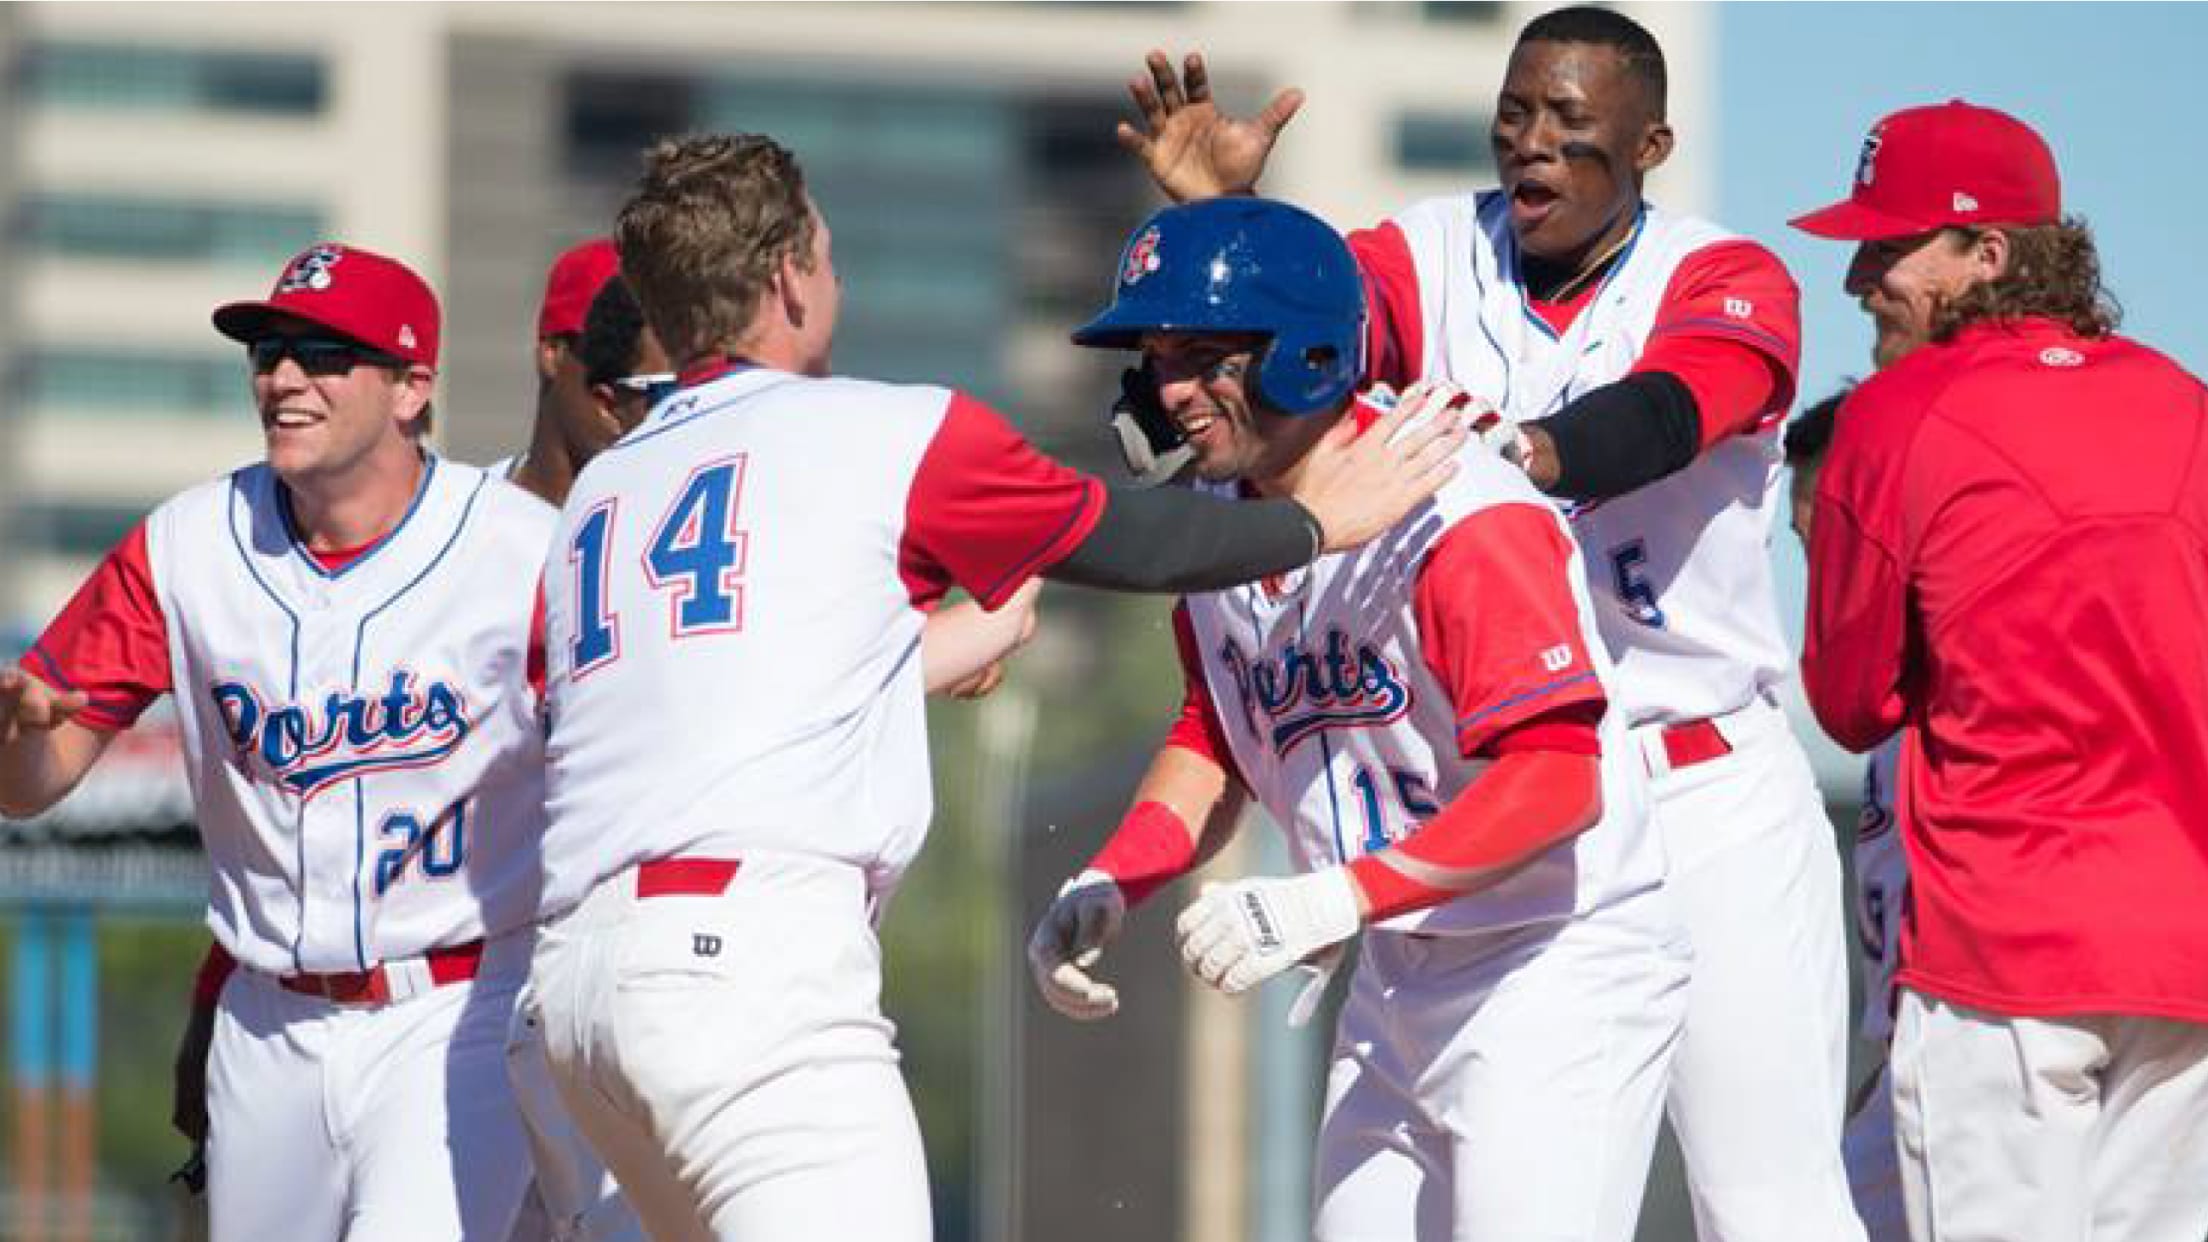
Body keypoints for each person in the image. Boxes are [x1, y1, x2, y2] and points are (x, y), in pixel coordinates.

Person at [521, 132, 1466, 1241]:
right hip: (743, 972)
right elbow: (1132, 542)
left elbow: (665, 695)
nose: (835, 277)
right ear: (787, 280)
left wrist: (903, 660)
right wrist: (1315, 524)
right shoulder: (883, 428)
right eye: (827, 254)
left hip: (576, 992)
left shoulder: (607, 488)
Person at [1114, 9, 1862, 1240]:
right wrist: (1227, 221)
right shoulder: (1426, 252)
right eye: (1515, 114)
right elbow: (1286, 340)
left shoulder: (1720, 272)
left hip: (1697, 775)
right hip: (1503, 796)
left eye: (1571, 121)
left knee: (1762, 1196)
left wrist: (1517, 454)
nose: (1532, 143)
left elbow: (1669, 413)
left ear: (1652, 144)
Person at [1029, 196, 1690, 1241]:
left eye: (1201, 356)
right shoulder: (1225, 527)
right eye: (1156, 361)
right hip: (1397, 965)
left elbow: (1560, 778)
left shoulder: (1459, 510)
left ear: (1305, 353)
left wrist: (1334, 897)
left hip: (1555, 961)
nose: (1172, 391)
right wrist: (1115, 878)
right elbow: (1217, 732)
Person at [0, 243, 549, 1241]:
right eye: (268, 352)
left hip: (458, 1009)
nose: (284, 377)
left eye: (324, 354)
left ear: (411, 387)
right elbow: (30, 785)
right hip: (266, 1026)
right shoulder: (186, 545)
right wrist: (13, 738)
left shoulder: (523, 549)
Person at [1793, 99, 2208, 1242]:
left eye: (1888, 247)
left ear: (1990, 253)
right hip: (2185, 951)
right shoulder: (2186, 403)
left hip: (2002, 944)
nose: (1858, 280)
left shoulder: (1893, 412)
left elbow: (1850, 701)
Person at [1785, 391, 1907, 1242]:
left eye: (1835, 543)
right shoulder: (1882, 707)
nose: (1822, 577)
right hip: (1917, 1070)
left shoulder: (1994, 688)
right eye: (1807, 549)